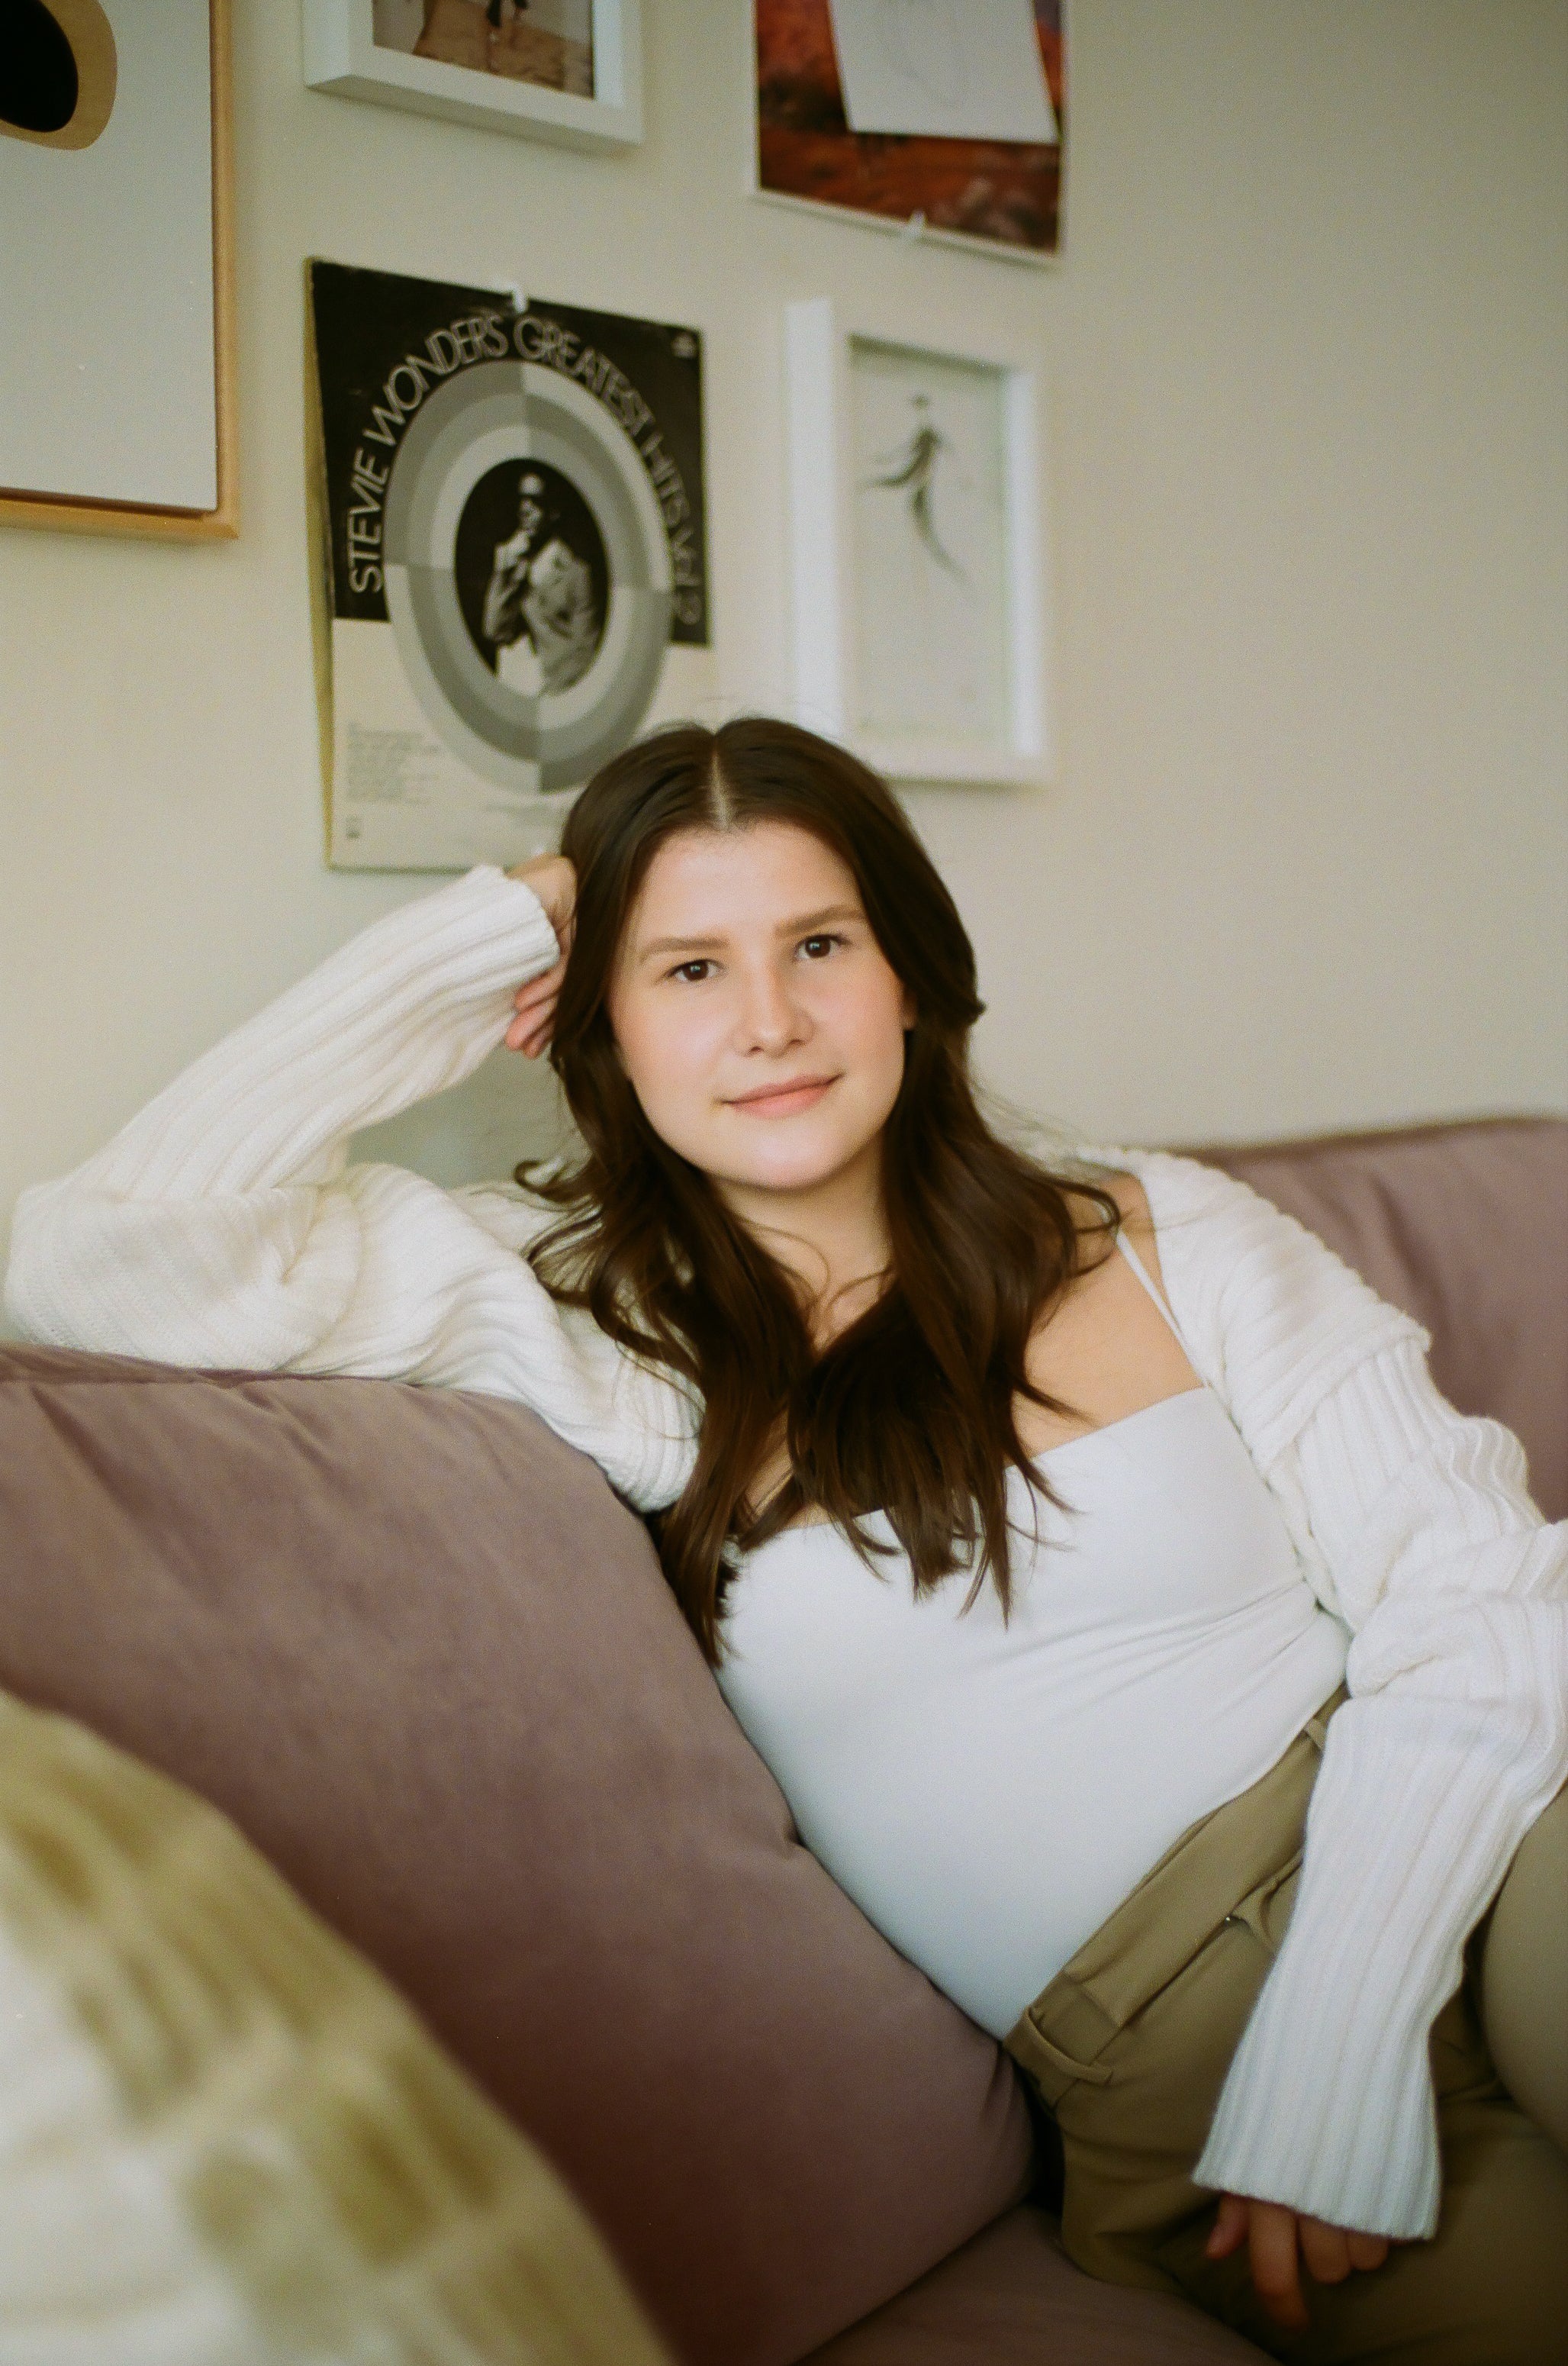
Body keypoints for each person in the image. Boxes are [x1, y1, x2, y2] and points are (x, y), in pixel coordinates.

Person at [7, 717, 1566, 2360]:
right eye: (687, 968)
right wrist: (496, 931)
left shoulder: (1153, 1226)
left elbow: (1485, 1589)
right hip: (1182, 2063)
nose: (768, 1021)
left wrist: (1338, 2035)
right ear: (601, 1023)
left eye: (819, 944)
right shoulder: (597, 1327)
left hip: (1488, 1843)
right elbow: (100, 1256)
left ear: (909, 977)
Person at [481, 472, 600, 695]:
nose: (524, 510)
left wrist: (549, 698)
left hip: (560, 692)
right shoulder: (519, 566)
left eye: (535, 501)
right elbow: (494, 630)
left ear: (553, 511)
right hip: (525, 689)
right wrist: (502, 572)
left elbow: (584, 654)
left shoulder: (576, 573)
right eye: (521, 501)